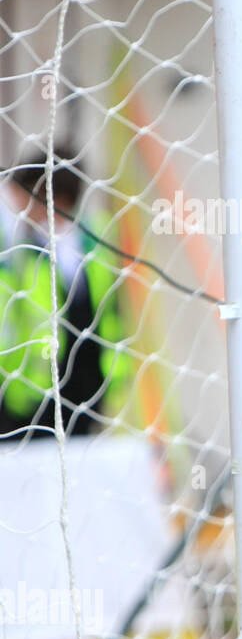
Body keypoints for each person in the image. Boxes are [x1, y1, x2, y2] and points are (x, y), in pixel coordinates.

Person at [0, 148, 131, 439]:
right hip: (29, 394)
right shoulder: (16, 252)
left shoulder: (95, 240)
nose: (19, 211)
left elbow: (111, 311)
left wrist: (113, 378)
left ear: (56, 201)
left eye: (25, 201)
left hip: (88, 386)